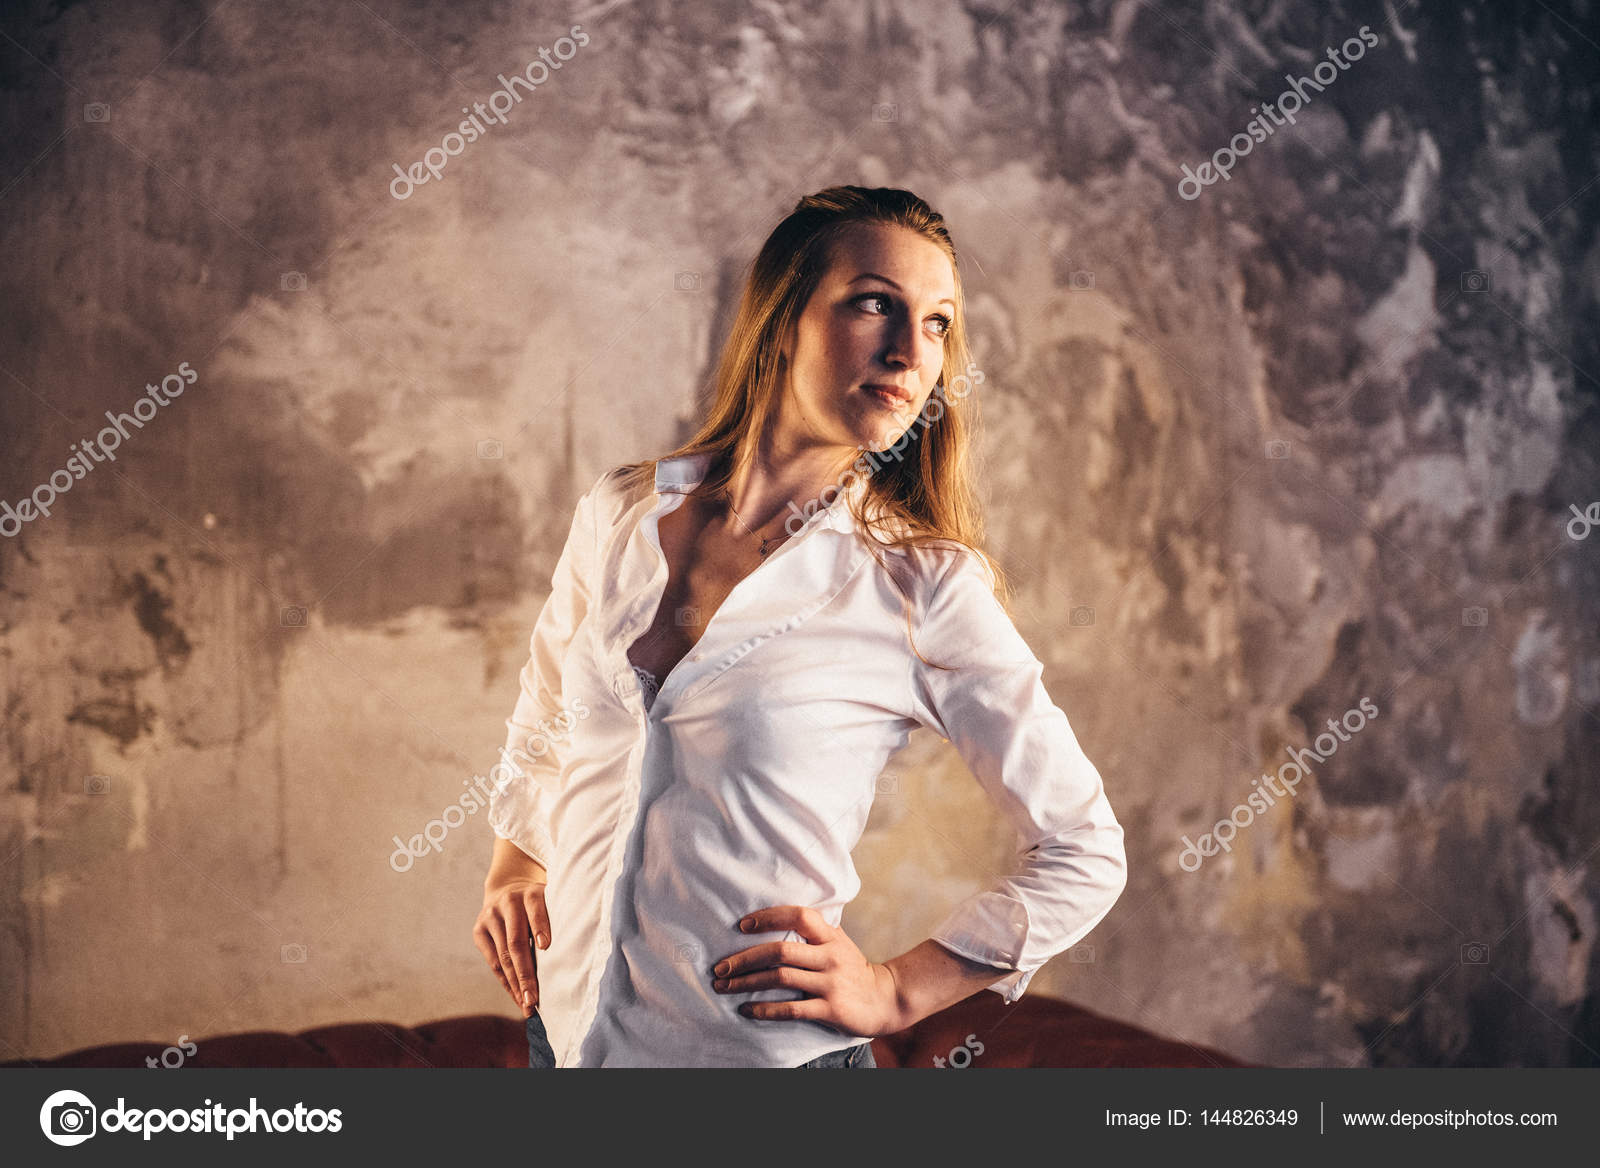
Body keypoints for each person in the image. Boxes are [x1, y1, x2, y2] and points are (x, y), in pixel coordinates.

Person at [472, 185, 1127, 1068]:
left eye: (937, 324)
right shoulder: (621, 513)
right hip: (568, 1039)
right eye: (873, 304)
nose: (909, 351)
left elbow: (1084, 848)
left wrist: (899, 990)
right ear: (783, 318)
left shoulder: (920, 585)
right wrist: (517, 857)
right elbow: (548, 704)